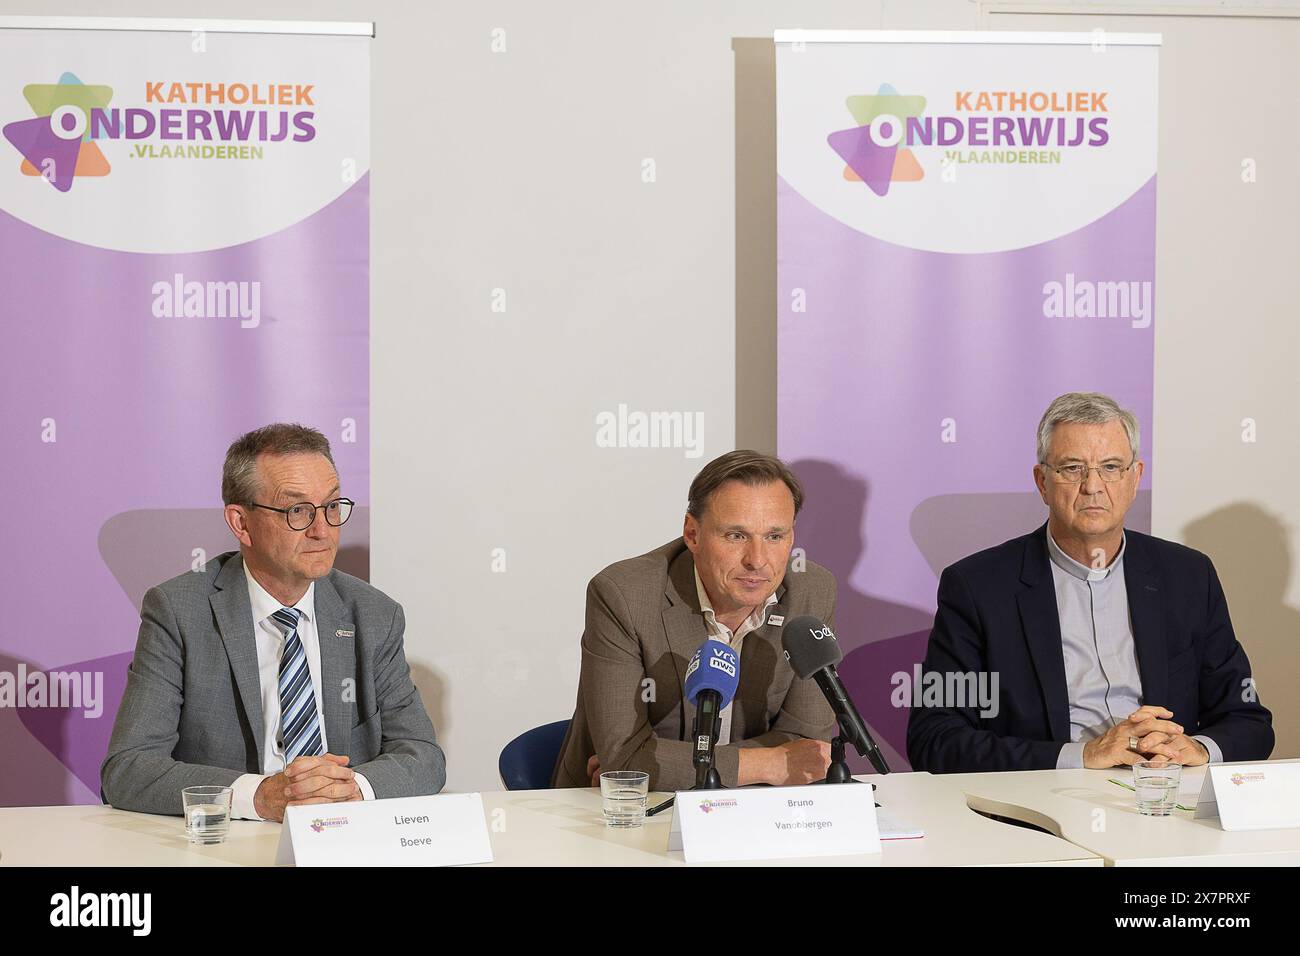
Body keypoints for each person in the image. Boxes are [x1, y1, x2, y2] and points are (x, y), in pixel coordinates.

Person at [907, 392, 1273, 772]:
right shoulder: (978, 587)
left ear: (1135, 479)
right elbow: (935, 737)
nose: (1093, 486)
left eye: (1111, 467)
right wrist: (1083, 756)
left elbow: (1248, 720)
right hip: (1045, 806)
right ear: (1042, 482)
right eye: (1072, 468)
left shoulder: (1189, 577)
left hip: (1164, 794)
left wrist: (1194, 749)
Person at [101, 423, 444, 818]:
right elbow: (128, 768)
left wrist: (350, 791)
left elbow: (423, 757)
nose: (322, 530)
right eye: (297, 510)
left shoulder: (373, 614)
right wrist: (260, 796)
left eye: (332, 507)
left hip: (341, 843)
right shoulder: (179, 611)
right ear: (240, 523)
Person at [552, 450, 837, 791]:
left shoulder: (812, 591)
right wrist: (770, 763)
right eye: (736, 536)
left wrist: (666, 764)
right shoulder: (623, 595)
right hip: (622, 812)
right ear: (692, 534)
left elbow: (806, 745)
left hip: (754, 811)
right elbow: (625, 761)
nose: (757, 560)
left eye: (775, 536)